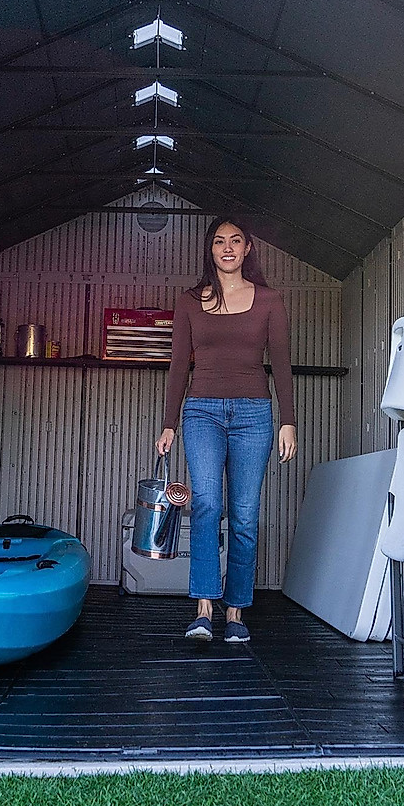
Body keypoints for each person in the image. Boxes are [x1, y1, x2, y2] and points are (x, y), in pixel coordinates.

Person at [156, 216, 297, 643]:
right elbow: (179, 363)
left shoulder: (269, 300)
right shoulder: (188, 301)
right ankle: (203, 608)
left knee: (244, 515)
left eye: (236, 240)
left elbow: (283, 364)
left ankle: (235, 612)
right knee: (205, 504)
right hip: (201, 413)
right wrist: (169, 423)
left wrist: (288, 419)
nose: (228, 248)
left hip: (255, 415)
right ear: (210, 250)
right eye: (220, 242)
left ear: (248, 248)